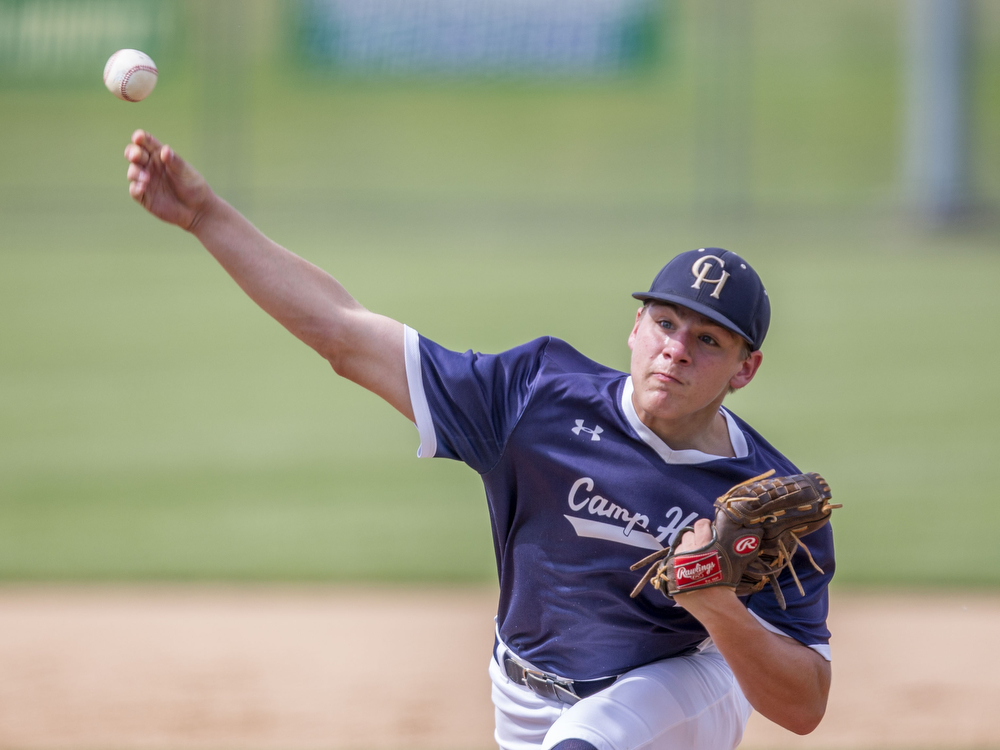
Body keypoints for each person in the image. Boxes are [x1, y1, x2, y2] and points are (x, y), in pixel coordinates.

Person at [123, 129, 834, 750]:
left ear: (747, 369)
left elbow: (803, 706)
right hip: (521, 696)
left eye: (707, 339)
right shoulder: (536, 394)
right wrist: (205, 216)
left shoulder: (761, 493)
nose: (676, 350)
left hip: (678, 694)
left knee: (591, 738)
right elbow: (345, 335)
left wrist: (715, 604)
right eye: (666, 323)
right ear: (635, 325)